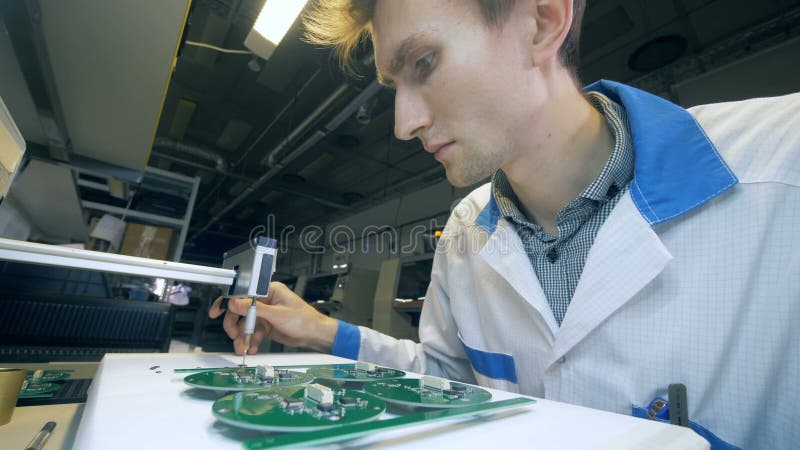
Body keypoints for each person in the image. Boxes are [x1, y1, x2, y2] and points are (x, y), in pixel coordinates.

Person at [209, 1, 800, 448]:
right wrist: (319, 331)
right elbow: (444, 378)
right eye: (395, 86)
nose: (403, 124)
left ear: (542, 21)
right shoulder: (467, 227)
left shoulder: (782, 166)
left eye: (424, 62)